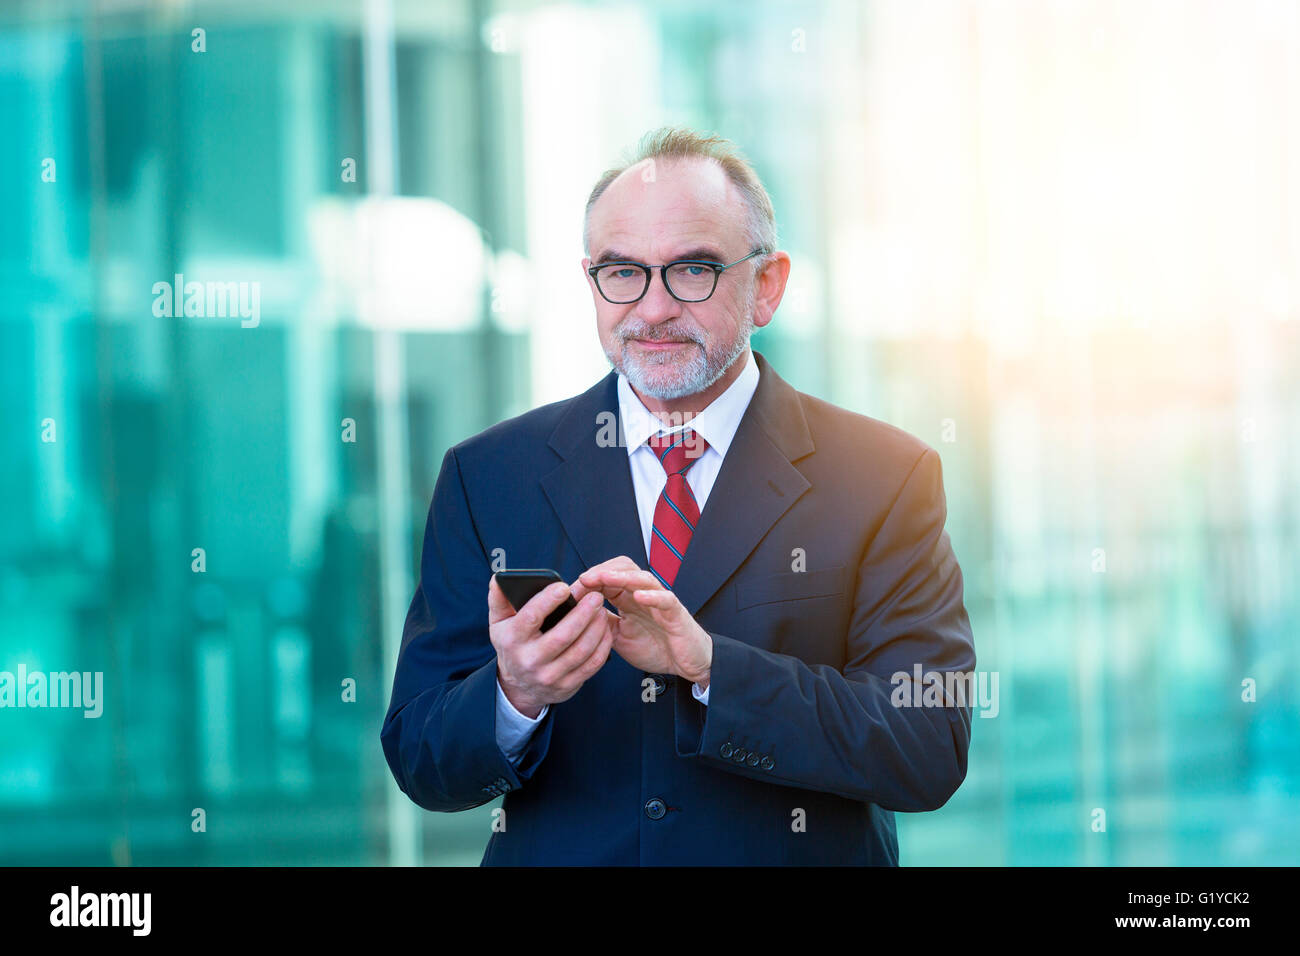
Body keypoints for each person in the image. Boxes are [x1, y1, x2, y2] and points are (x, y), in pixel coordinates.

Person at [381, 126, 976, 865]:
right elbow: (419, 755)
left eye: (692, 270)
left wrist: (710, 667)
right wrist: (514, 694)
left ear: (767, 285)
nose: (653, 308)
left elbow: (928, 746)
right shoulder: (489, 474)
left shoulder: (884, 477)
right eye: (622, 272)